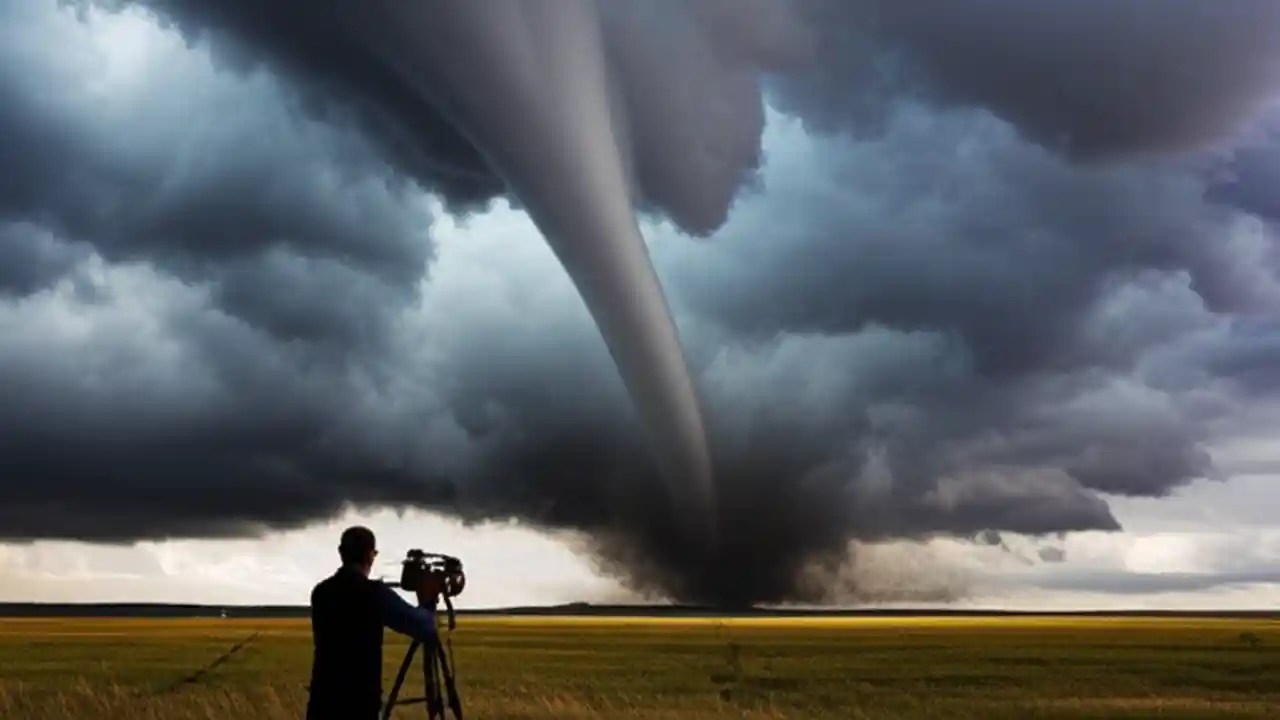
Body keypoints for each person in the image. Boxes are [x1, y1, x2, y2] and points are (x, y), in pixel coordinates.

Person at [305, 525, 444, 720]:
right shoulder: (372, 593)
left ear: (341, 553)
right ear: (370, 555)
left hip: (322, 704)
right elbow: (424, 627)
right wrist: (429, 600)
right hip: (359, 706)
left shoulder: (321, 592)